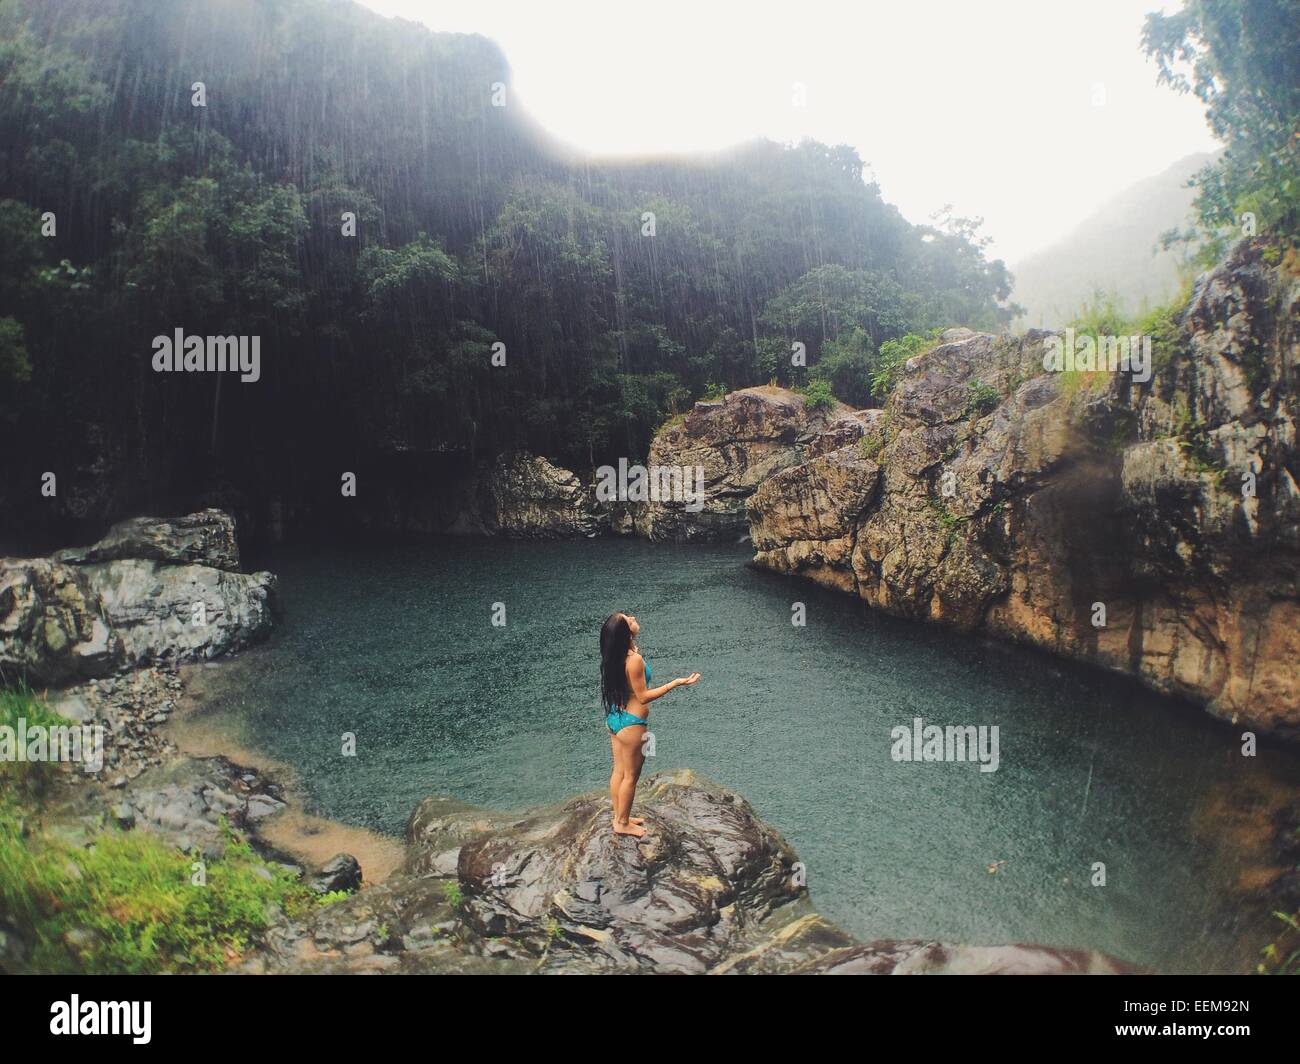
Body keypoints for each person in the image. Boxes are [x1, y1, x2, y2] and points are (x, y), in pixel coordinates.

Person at [599, 611, 700, 837]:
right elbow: (642, 696)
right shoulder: (633, 659)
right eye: (629, 620)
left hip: (615, 718)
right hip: (632, 724)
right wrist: (675, 683)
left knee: (619, 771)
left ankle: (619, 815)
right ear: (626, 633)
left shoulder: (616, 654)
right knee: (631, 776)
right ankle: (622, 823)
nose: (634, 618)